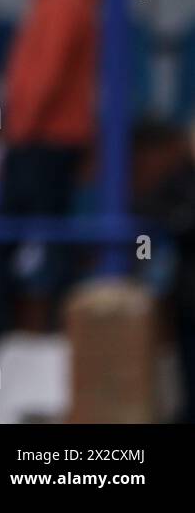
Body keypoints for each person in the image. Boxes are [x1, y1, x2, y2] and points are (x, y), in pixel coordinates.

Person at [0, 0, 99, 350]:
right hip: (45, 136)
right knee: (46, 235)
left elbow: (45, 77)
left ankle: (8, 333)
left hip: (43, 138)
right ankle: (45, 331)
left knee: (20, 235)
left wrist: (15, 132)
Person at [140, 121, 195, 423]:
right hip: (189, 297)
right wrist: (182, 221)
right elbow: (147, 207)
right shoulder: (179, 180)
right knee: (187, 369)